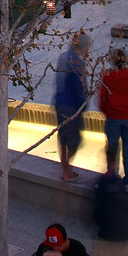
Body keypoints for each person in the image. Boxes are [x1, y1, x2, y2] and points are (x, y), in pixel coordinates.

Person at [98, 48, 128, 191]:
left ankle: (112, 176)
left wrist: (106, 110)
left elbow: (102, 97)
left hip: (113, 118)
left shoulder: (107, 76)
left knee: (112, 149)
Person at [51, 32, 90, 182]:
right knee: (75, 140)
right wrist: (84, 105)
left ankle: (66, 170)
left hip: (59, 103)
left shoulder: (63, 57)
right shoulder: (77, 63)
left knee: (63, 139)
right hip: (71, 107)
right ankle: (66, 171)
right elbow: (79, 88)